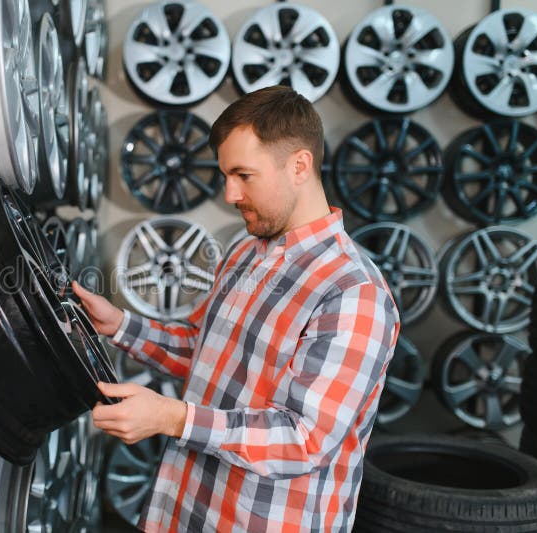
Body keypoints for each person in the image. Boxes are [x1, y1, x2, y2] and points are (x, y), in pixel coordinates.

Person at [72, 86, 400, 532]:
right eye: (227, 175)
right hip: (185, 506)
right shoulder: (246, 251)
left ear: (299, 165)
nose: (229, 194)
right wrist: (118, 325)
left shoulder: (352, 292)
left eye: (243, 175)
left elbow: (303, 440)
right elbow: (206, 352)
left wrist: (172, 417)